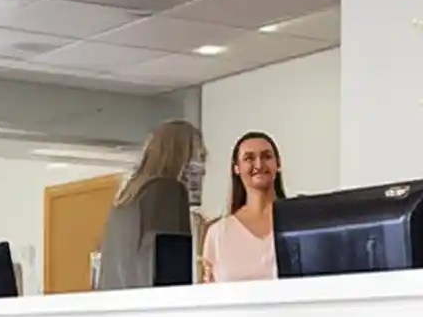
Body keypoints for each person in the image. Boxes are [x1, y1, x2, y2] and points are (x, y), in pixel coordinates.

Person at [95, 120, 205, 291]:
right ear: (180, 154)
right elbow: (172, 271)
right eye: (199, 156)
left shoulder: (128, 196)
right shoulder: (168, 190)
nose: (202, 168)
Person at [202, 132, 287, 283]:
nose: (259, 164)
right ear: (236, 168)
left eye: (267, 156)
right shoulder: (218, 234)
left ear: (278, 164)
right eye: (249, 158)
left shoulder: (298, 222)